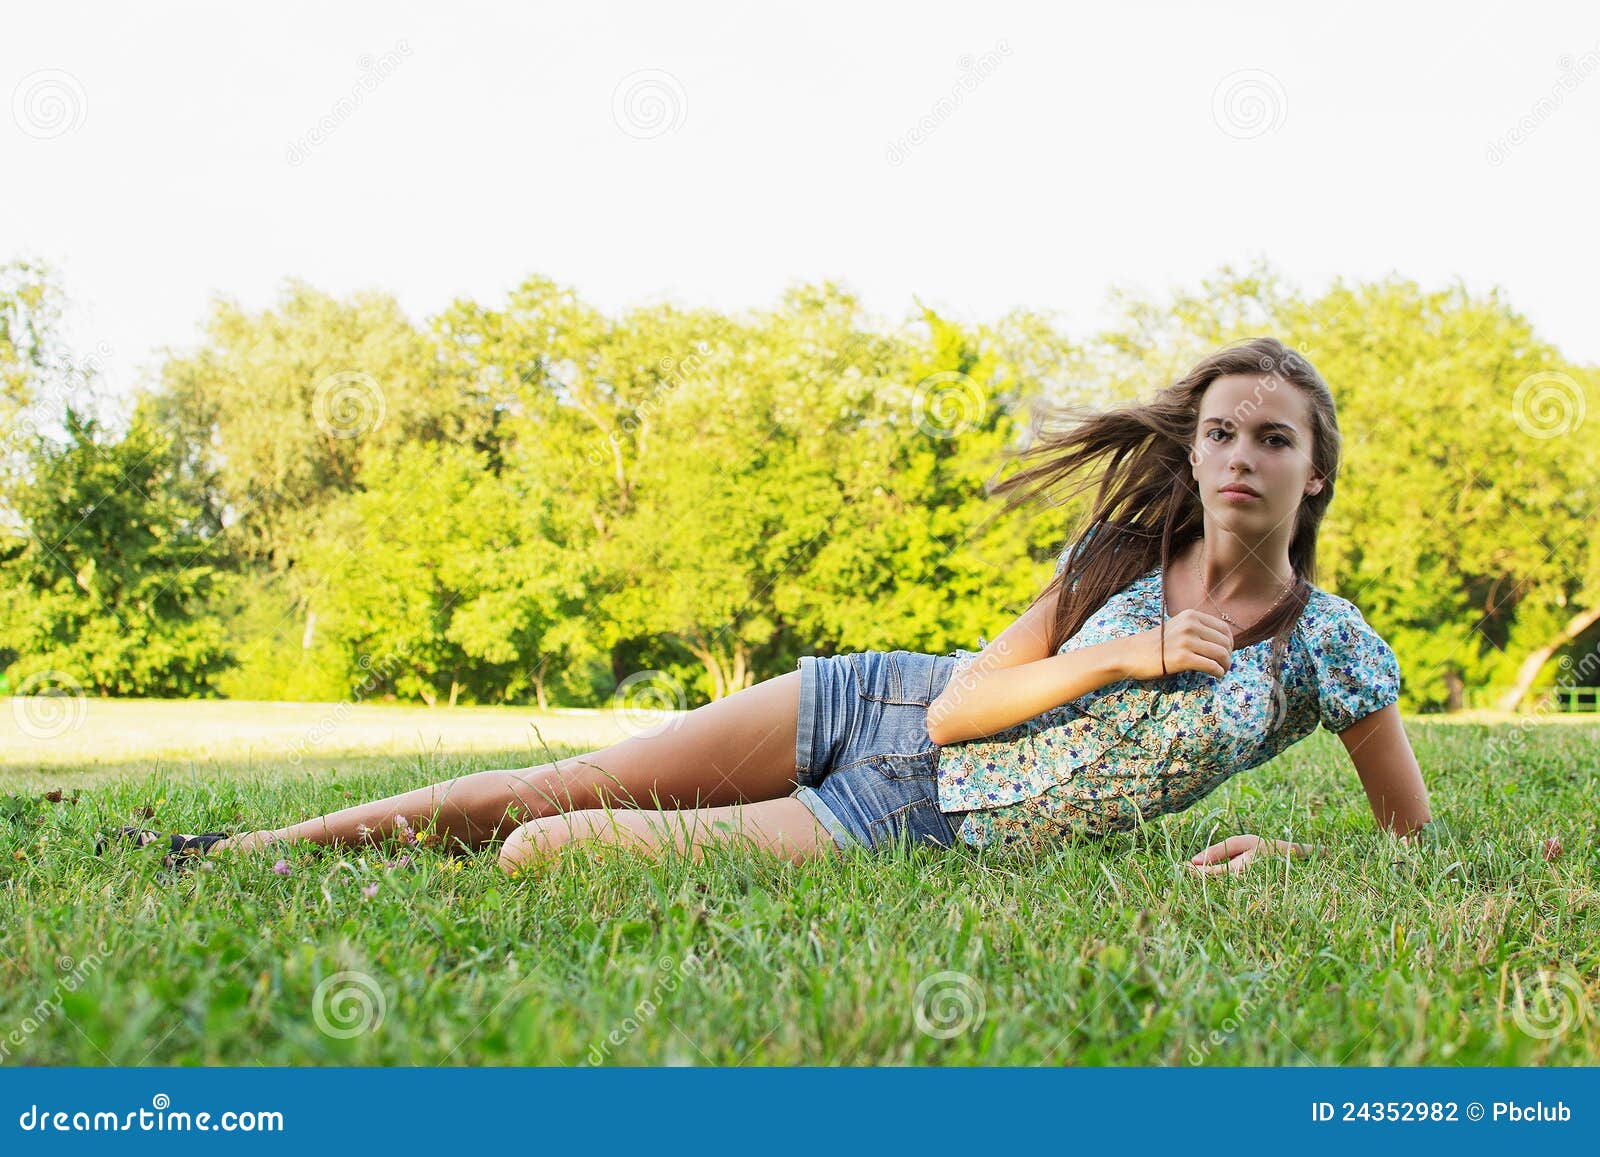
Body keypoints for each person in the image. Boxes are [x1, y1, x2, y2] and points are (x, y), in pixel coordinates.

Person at [97, 335, 1430, 878]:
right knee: (571, 779)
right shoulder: (1115, 562)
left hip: (914, 818)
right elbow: (967, 701)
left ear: (1317, 474)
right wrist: (1124, 654)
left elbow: (1409, 843)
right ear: (1193, 453)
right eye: (1221, 433)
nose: (1242, 457)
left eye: (1274, 440)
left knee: (541, 854)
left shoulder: (1330, 648)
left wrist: (1285, 857)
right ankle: (257, 846)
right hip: (889, 702)